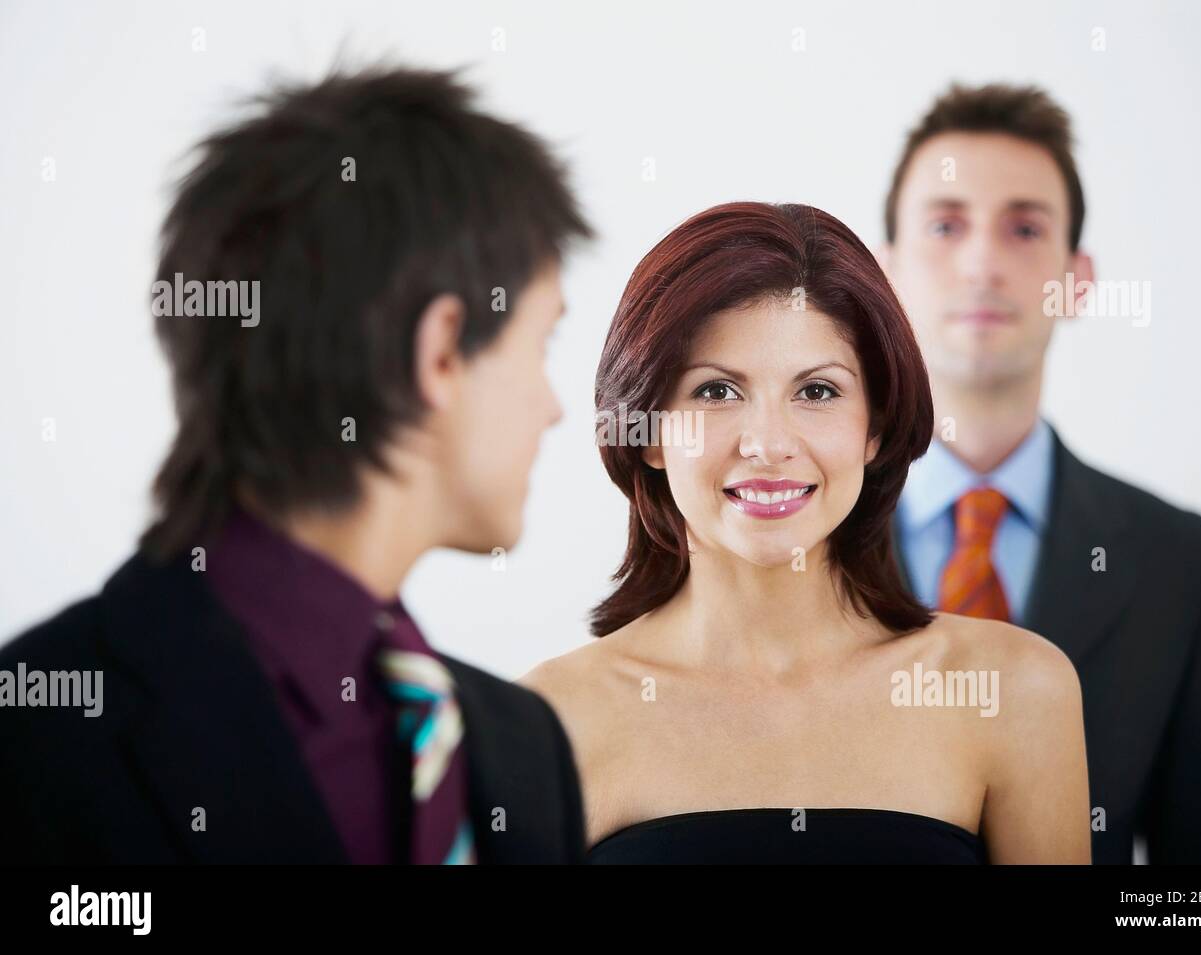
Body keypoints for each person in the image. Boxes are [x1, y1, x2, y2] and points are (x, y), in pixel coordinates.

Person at [0, 66, 592, 864]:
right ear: (442, 352)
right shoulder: (34, 740)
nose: (555, 406)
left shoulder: (522, 750)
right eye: (542, 343)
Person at [522, 201, 1091, 864]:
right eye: (716, 392)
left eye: (817, 391)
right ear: (647, 431)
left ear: (875, 428)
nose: (768, 444)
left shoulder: (1014, 689)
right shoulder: (550, 723)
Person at [879, 83, 1201, 863]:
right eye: (945, 224)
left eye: (1025, 227)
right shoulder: (793, 532)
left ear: (1078, 278)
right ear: (885, 271)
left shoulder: (1182, 567)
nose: (984, 262)